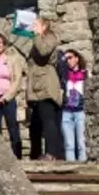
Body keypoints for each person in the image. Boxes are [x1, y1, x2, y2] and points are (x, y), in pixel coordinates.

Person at [25, 14, 64, 161]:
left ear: (44, 26)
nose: (32, 27)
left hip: (46, 85)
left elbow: (43, 51)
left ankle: (52, 152)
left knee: (48, 120)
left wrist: (37, 35)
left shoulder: (50, 38)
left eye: (36, 24)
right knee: (35, 124)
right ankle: (35, 154)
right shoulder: (38, 39)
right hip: (35, 87)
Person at [61, 49, 87, 163]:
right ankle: (70, 165)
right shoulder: (65, 75)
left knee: (81, 141)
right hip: (67, 111)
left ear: (77, 58)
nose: (68, 61)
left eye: (70, 57)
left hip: (80, 110)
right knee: (69, 143)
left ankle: (83, 165)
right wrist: (63, 60)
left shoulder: (85, 74)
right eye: (66, 59)